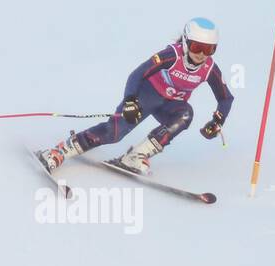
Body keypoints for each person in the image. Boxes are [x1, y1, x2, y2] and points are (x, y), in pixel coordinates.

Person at [38, 17, 233, 175]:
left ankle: (136, 156)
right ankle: (59, 151)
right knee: (114, 133)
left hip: (171, 105)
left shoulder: (209, 69)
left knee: (185, 114)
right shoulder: (170, 56)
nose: (201, 54)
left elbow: (225, 98)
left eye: (209, 49)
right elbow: (136, 74)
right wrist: (130, 100)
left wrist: (218, 121)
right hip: (146, 96)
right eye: (197, 47)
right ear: (185, 42)